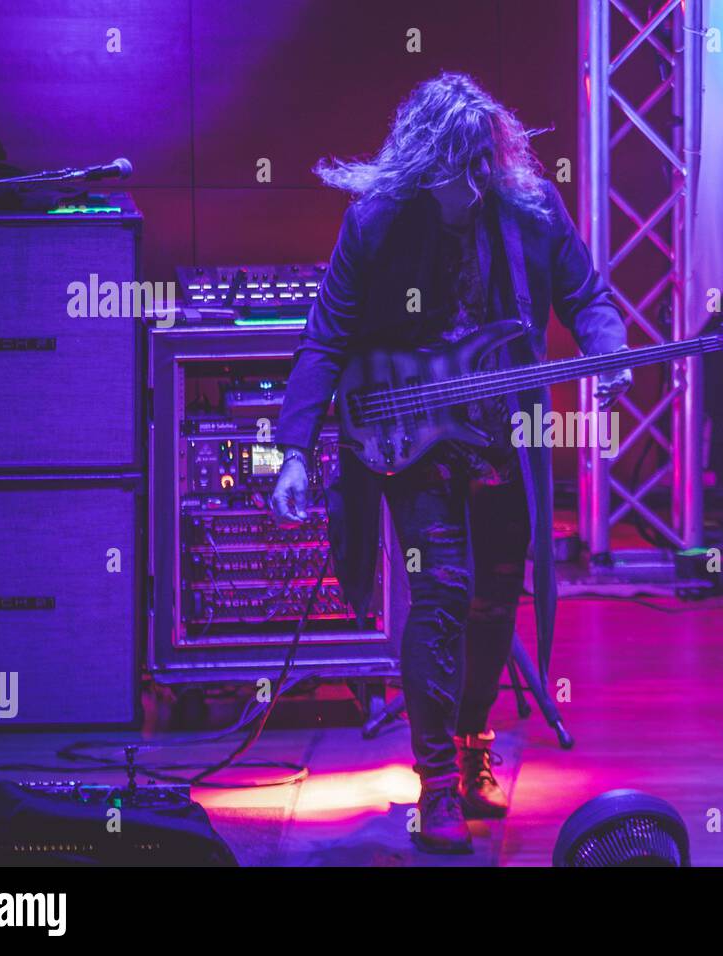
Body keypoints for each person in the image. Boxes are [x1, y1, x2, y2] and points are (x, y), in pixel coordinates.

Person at [270, 72, 630, 854]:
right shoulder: (376, 222)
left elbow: (587, 293)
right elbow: (325, 337)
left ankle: (471, 750)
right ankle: (433, 785)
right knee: (441, 593)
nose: (473, 183)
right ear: (424, 162)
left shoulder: (530, 212)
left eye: (483, 165)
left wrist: (609, 355)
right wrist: (292, 451)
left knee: (496, 598)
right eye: (458, 167)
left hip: (500, 436)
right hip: (408, 439)